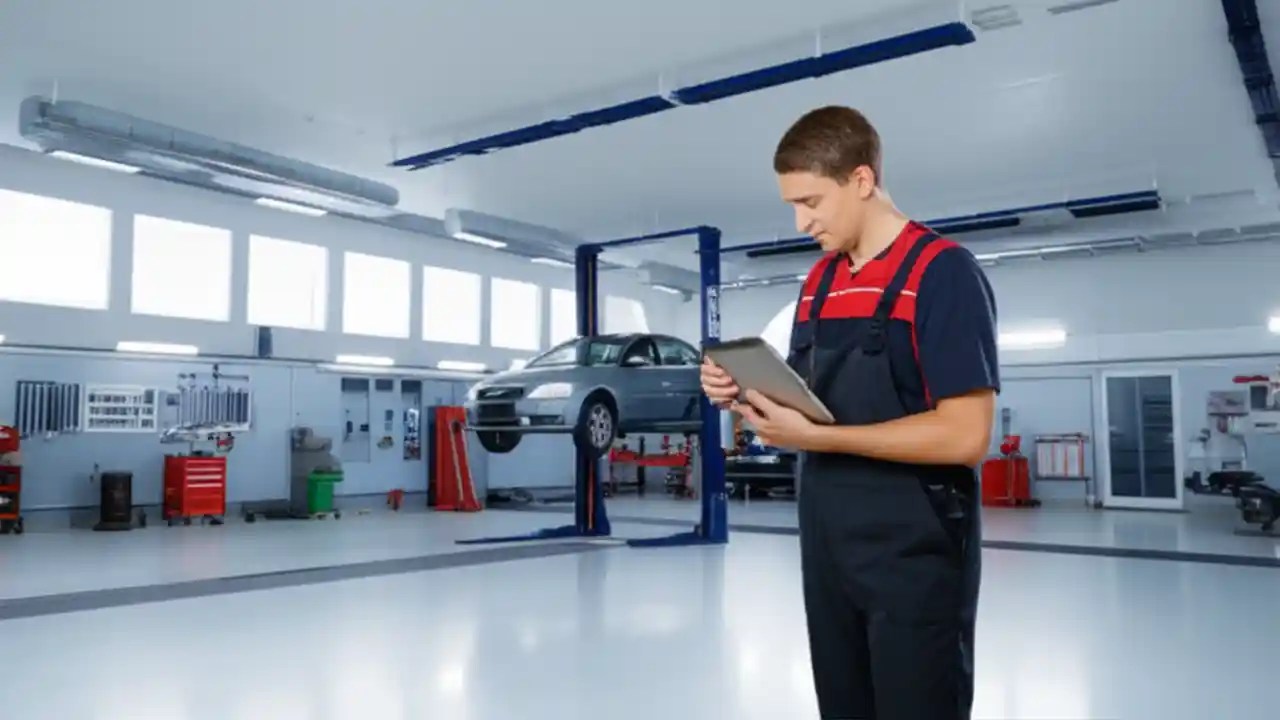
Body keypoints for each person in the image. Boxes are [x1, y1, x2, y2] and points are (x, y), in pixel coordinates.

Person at [702, 106, 998, 720]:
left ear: (861, 181)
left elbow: (967, 436)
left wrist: (821, 439)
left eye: (810, 201)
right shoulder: (819, 282)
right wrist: (738, 391)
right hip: (828, 547)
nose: (800, 221)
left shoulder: (943, 274)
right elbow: (803, 407)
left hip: (914, 557)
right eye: (791, 204)